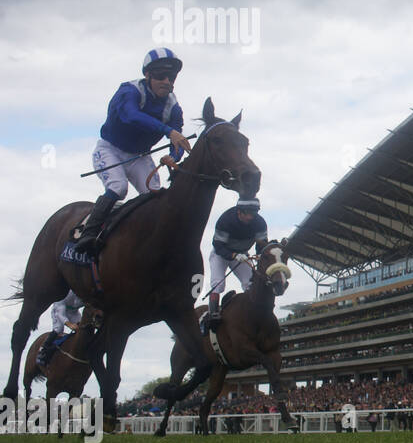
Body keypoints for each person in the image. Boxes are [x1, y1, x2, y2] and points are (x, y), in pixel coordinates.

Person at [73, 48, 191, 255]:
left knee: (155, 196)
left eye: (171, 77)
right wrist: (168, 131)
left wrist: (173, 157)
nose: (167, 81)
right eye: (160, 76)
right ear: (147, 75)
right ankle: (89, 234)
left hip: (139, 156)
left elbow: (177, 141)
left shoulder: (173, 107)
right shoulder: (129, 91)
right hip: (110, 150)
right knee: (118, 188)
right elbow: (131, 116)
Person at [205, 199, 269, 328]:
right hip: (221, 254)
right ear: (239, 212)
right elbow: (218, 246)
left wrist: (260, 254)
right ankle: (213, 314)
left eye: (253, 214)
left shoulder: (260, 223)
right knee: (218, 283)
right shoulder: (226, 220)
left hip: (242, 254)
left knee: (250, 282)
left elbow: (262, 244)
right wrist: (233, 255)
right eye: (247, 214)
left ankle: (252, 311)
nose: (250, 217)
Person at [34, 290, 85, 370]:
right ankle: (43, 351)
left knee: (83, 328)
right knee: (59, 329)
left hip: (74, 312)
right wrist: (70, 324)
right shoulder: (64, 294)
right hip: (59, 311)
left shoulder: (84, 292)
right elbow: (61, 315)